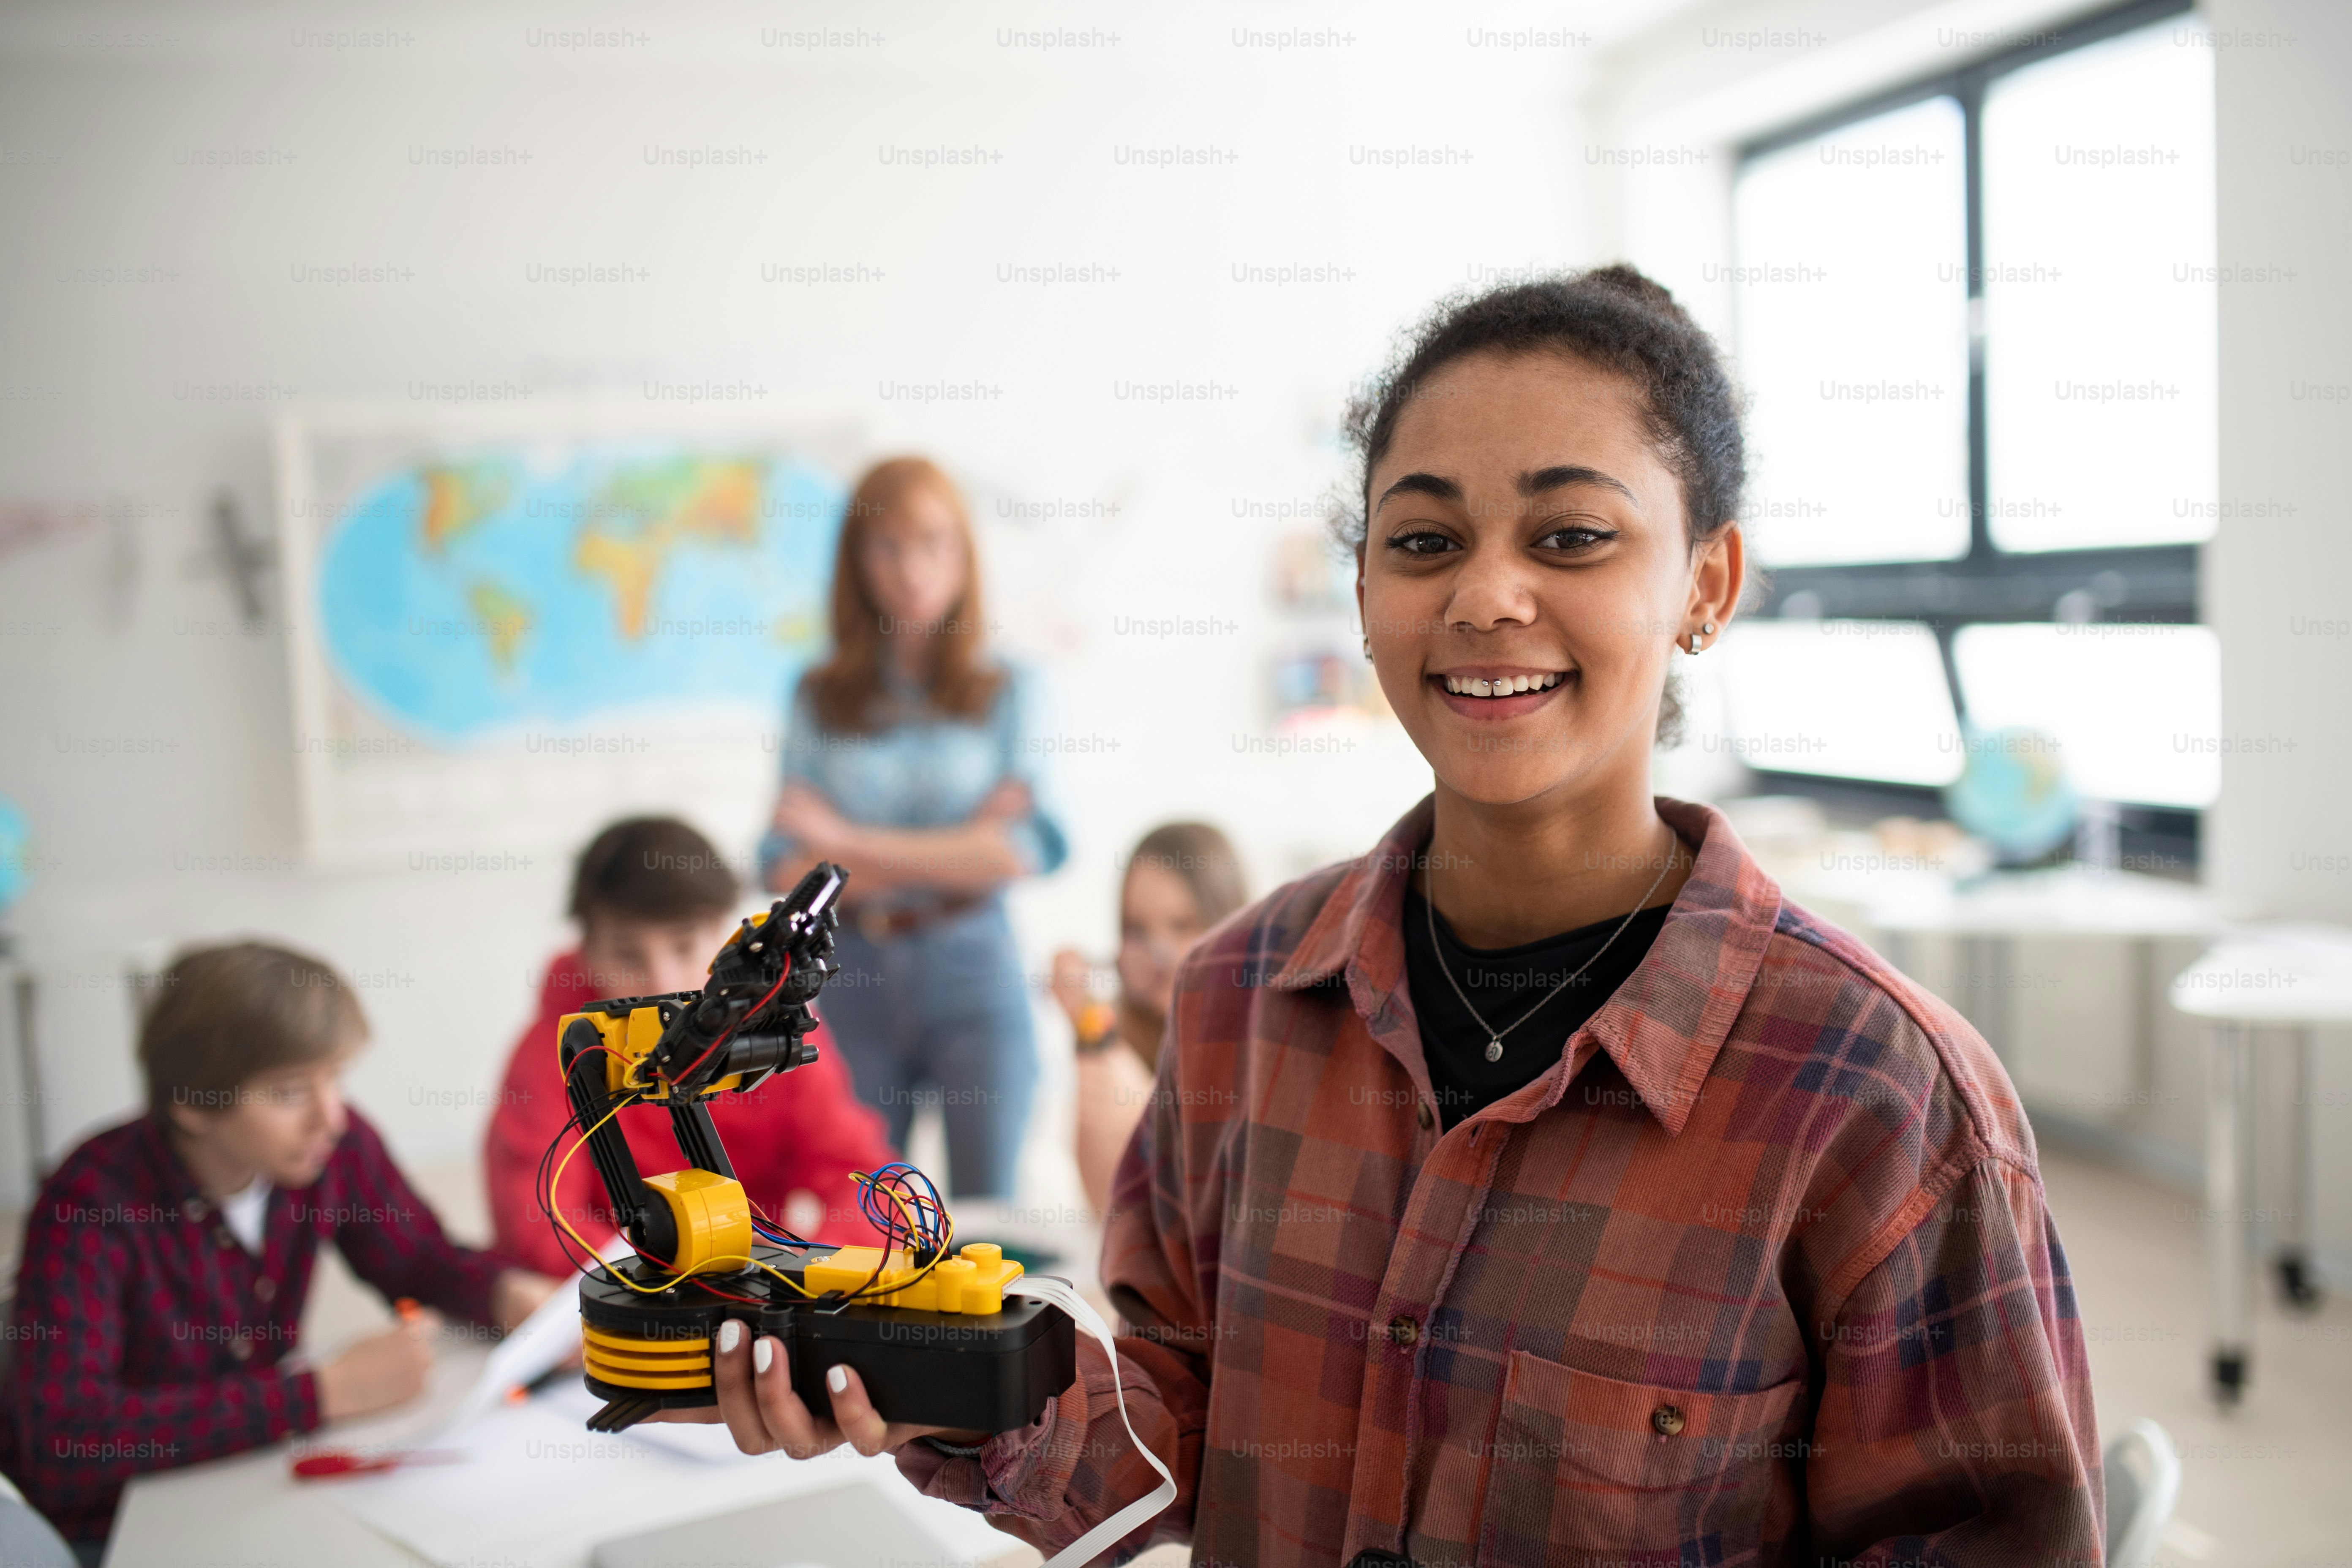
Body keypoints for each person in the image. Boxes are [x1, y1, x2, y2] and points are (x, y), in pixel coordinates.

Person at [662, 267, 2104, 1567]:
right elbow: (1175, 1428)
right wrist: (929, 1382)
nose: (1484, 594)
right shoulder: (1238, 998)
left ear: (1704, 588)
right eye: (1422, 541)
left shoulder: (1876, 1098)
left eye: (1571, 534)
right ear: (1361, 590)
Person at [0, 941, 563, 1554]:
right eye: (291, 1092)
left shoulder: (330, 1150)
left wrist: (504, 1292)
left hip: (248, 1486)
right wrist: (323, 1393)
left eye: (336, 1078)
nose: (333, 1116)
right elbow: (65, 1440)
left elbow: (419, 1259)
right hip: (114, 1532)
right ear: (192, 1104)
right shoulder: (89, 1200)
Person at [758, 457, 1067, 1200]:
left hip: (974, 973)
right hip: (852, 976)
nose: (912, 569)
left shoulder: (1009, 690)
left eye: (933, 542)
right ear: (855, 562)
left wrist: (850, 842)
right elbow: (782, 868)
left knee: (991, 1223)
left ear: (964, 552)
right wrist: (959, 846)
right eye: (887, 546)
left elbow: (1023, 851)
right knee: (868, 1217)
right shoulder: (816, 695)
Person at [483, 816, 897, 1274]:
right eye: (628, 954)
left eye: (683, 947)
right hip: (622, 1307)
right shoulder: (553, 1054)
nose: (661, 979)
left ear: (724, 934)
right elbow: (538, 1220)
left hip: (755, 1287)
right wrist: (652, 1291)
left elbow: (866, 1180)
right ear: (586, 947)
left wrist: (807, 1279)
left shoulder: (774, 1035)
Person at [1049, 823, 1247, 1217]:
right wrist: (1087, 1025)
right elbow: (1106, 1204)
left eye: (1181, 926)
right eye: (1138, 929)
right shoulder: (1112, 1030)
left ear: (1230, 924)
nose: (1160, 955)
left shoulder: (1261, 1037)